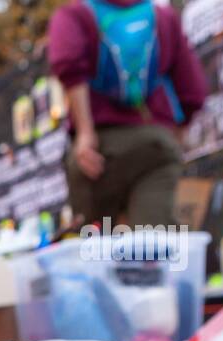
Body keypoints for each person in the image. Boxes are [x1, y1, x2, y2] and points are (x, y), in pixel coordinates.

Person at [48, 0, 207, 228]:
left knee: (97, 252)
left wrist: (85, 132)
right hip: (155, 146)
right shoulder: (163, 17)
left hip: (98, 153)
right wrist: (173, 140)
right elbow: (194, 93)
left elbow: (68, 66)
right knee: (153, 248)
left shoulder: (74, 15)